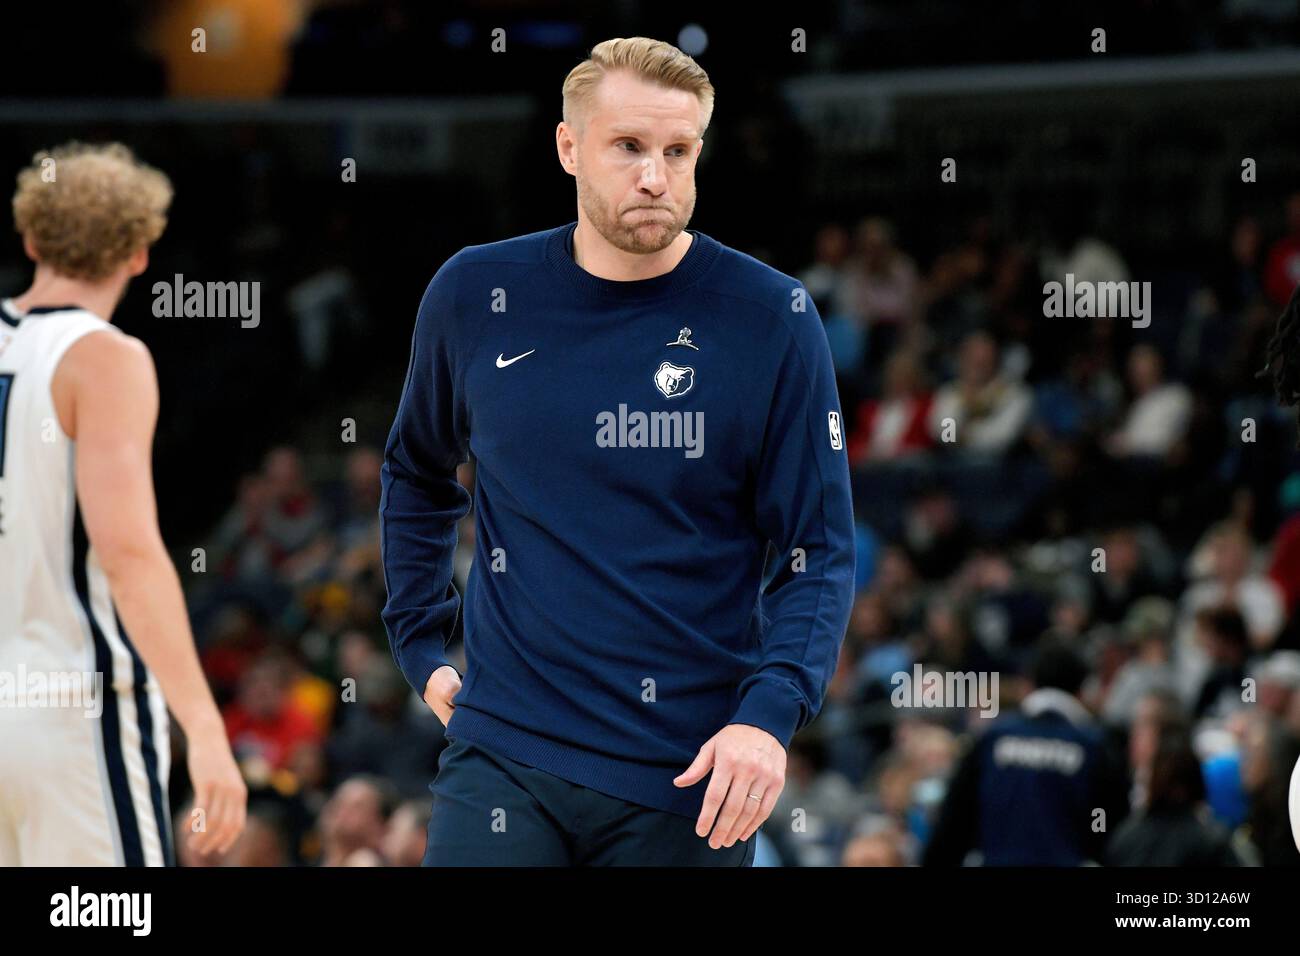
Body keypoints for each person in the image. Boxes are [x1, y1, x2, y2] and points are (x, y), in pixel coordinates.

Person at [380, 37, 855, 866]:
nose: (655, 177)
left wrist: (769, 713)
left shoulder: (769, 316)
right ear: (569, 148)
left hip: (690, 779)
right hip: (505, 756)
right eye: (628, 146)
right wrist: (420, 642)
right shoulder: (473, 292)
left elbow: (820, 548)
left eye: (678, 151)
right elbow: (417, 471)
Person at [0, 142, 245, 864]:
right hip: (70, 709)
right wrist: (203, 728)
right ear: (139, 254)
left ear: (31, 238)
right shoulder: (105, 356)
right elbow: (130, 553)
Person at [921, 641, 1129, 866]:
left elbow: (954, 825)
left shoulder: (992, 740)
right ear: (1082, 691)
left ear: (1028, 685)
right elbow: (1105, 821)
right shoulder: (1094, 748)